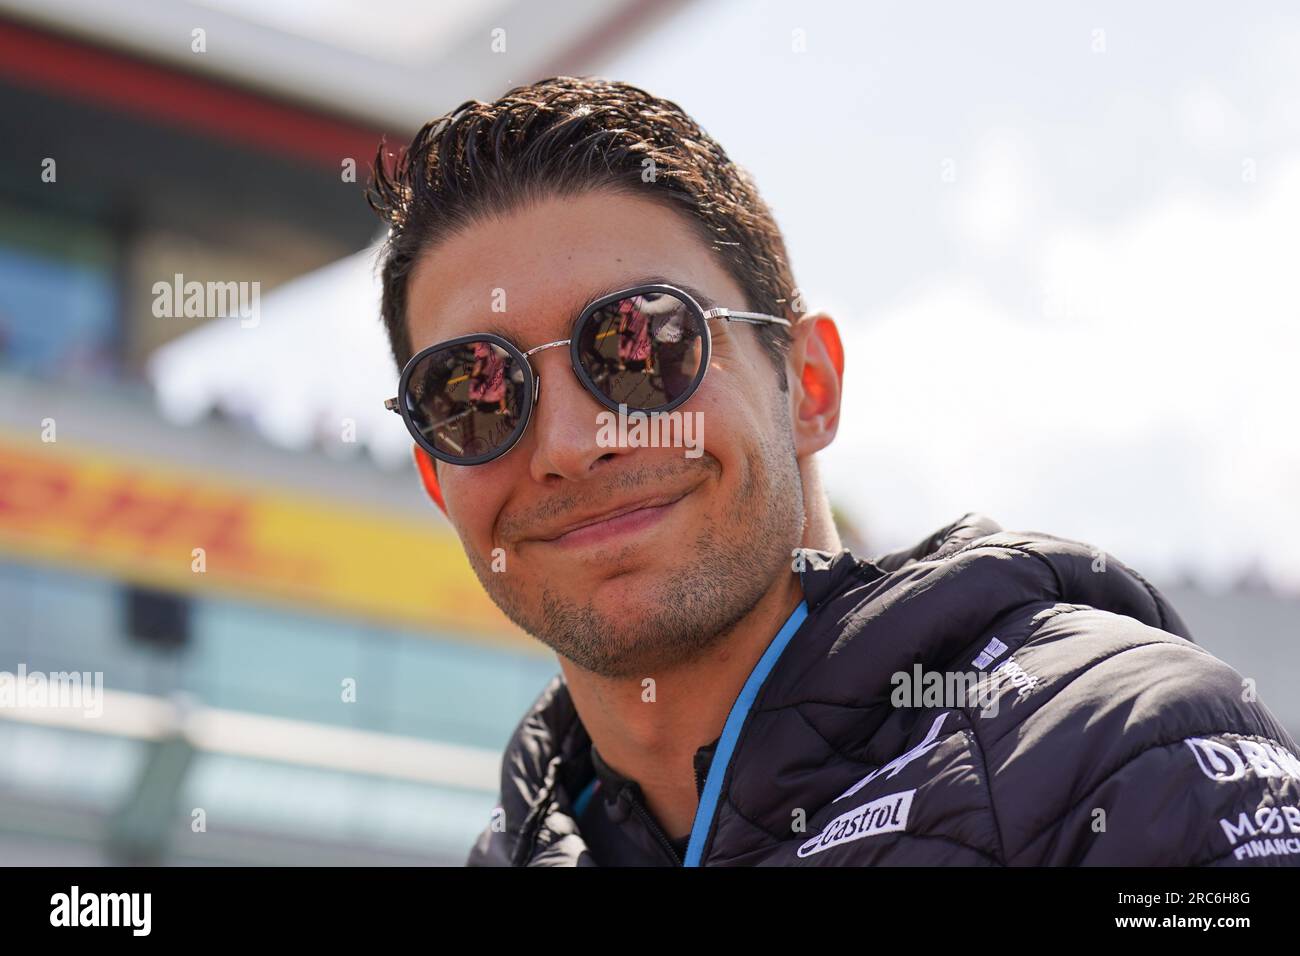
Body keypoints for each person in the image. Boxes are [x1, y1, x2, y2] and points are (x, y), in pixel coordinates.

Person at [367, 77, 1299, 866]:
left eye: (642, 343)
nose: (571, 444)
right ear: (438, 478)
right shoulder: (525, 843)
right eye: (471, 394)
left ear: (808, 387)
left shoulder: (1131, 759)